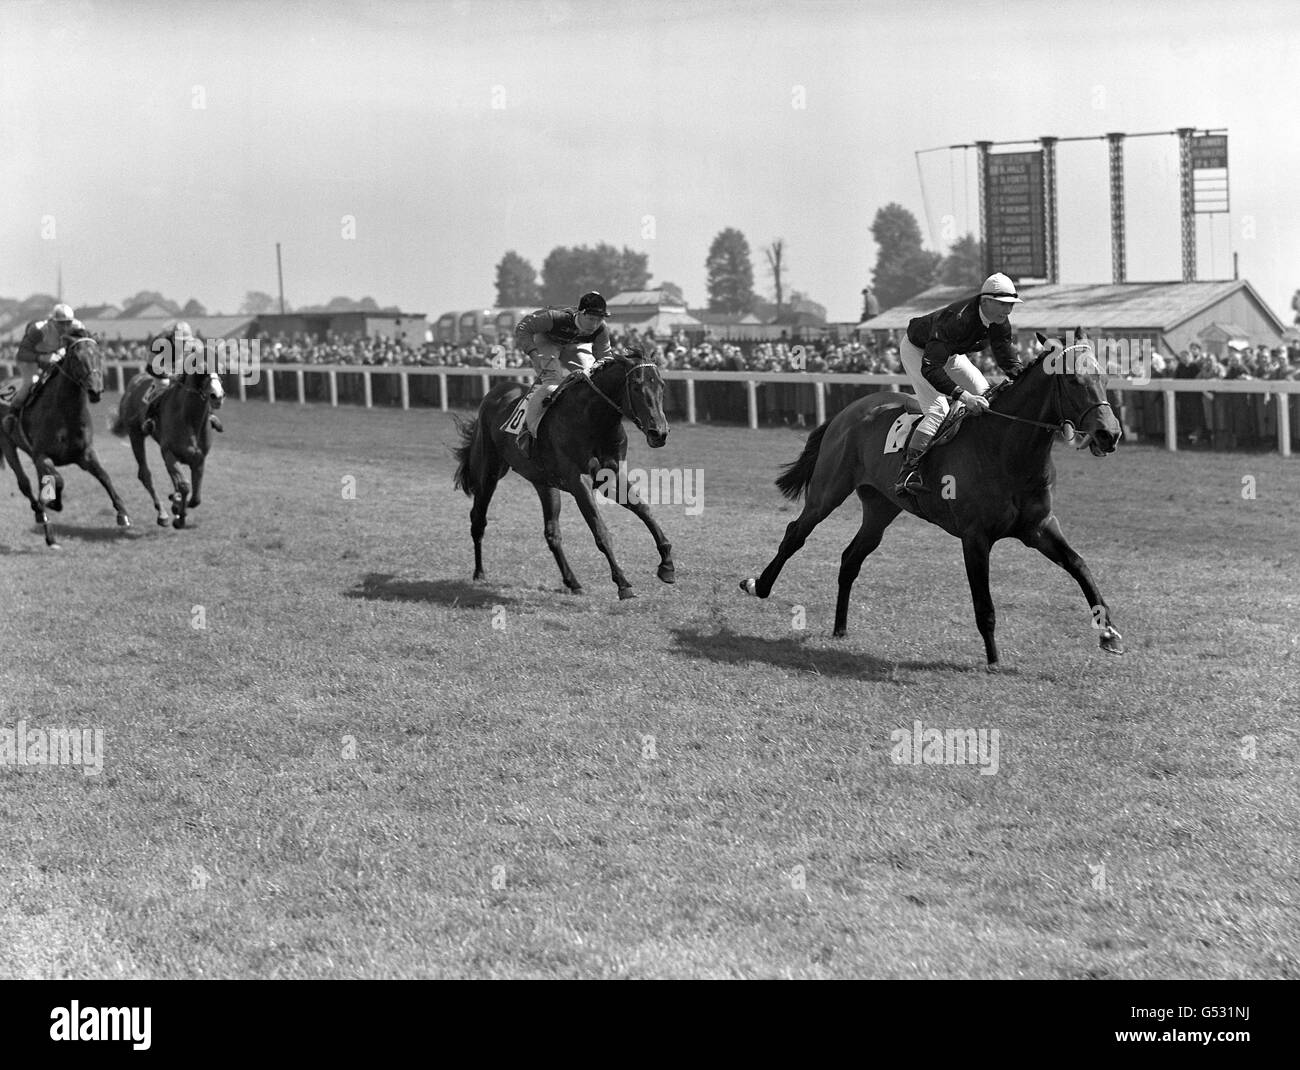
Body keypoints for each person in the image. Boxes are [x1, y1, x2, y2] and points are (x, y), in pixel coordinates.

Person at [893, 273, 1025, 495]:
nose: (1008, 310)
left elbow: (1007, 360)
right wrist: (964, 397)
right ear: (985, 301)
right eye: (1003, 304)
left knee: (988, 396)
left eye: (1011, 304)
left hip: (951, 353)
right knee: (938, 410)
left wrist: (1024, 379)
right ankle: (907, 473)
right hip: (920, 352)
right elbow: (931, 368)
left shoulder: (999, 321)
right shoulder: (956, 320)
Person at [512, 291, 613, 457]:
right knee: (552, 386)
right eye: (591, 319)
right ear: (581, 313)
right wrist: (533, 353)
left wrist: (596, 368)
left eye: (599, 319)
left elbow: (605, 356)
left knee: (592, 381)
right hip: (546, 341)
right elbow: (523, 327)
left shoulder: (601, 329)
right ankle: (528, 433)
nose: (595, 324)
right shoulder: (554, 317)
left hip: (572, 346)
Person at [2, 303, 87, 436]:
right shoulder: (39, 330)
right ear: (53, 322)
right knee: (31, 383)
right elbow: (22, 354)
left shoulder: (78, 327)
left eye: (68, 323)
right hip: (29, 360)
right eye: (61, 324)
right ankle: (12, 416)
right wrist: (42, 357)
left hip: (53, 357)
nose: (65, 328)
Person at [140, 321, 223, 434]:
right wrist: (168, 375)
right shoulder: (159, 342)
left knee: (202, 386)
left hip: (180, 368)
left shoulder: (195, 344)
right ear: (173, 338)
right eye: (181, 342)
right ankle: (150, 419)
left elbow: (203, 363)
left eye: (186, 342)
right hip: (162, 368)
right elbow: (151, 367)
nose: (184, 345)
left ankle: (210, 415)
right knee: (164, 384)